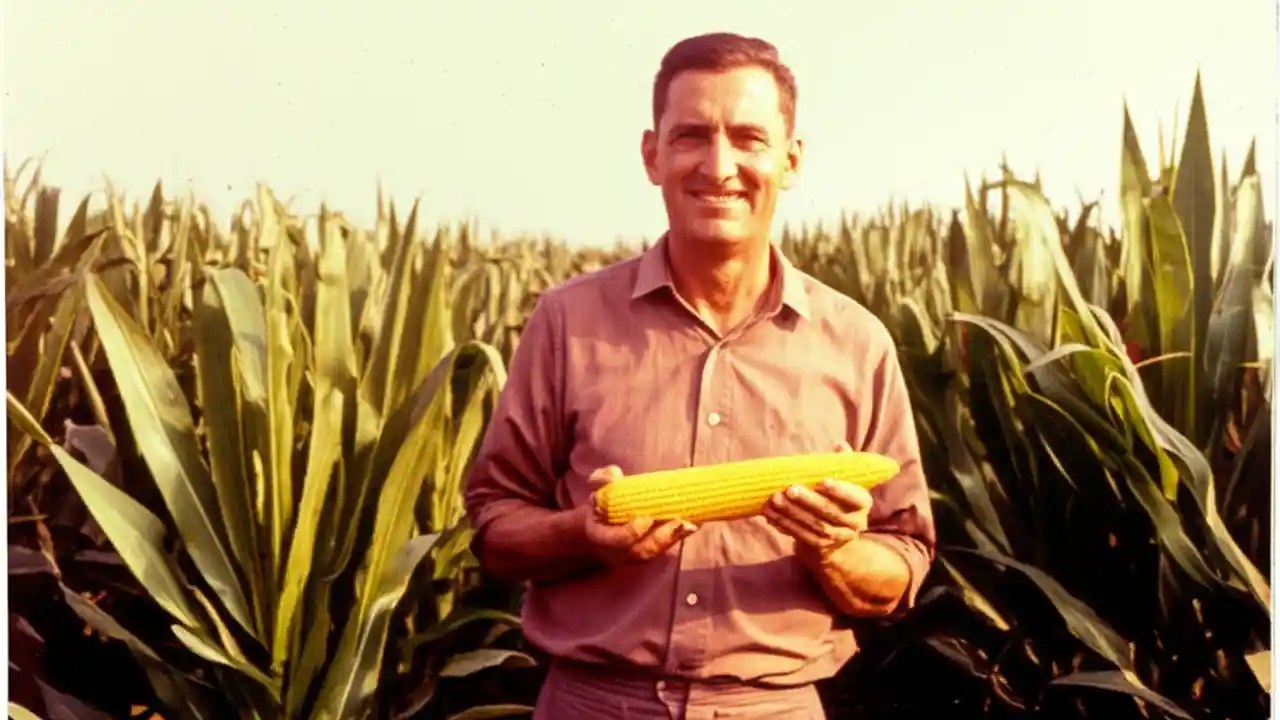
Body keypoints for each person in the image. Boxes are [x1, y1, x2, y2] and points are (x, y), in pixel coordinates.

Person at [464, 31, 935, 720]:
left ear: (791, 159)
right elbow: (494, 526)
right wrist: (581, 532)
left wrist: (833, 551)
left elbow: (901, 565)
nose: (720, 166)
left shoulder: (855, 343)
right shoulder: (567, 322)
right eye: (691, 136)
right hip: (594, 703)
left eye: (748, 138)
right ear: (652, 155)